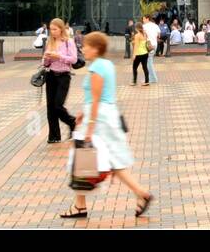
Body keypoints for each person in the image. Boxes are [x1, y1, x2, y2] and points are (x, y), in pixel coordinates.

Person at [60, 32, 154, 221]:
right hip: (106, 116)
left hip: (100, 120)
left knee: (83, 160)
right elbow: (100, 97)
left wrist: (90, 126)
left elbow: (96, 99)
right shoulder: (107, 65)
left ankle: (81, 205)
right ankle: (140, 193)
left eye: (86, 46)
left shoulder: (96, 68)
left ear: (95, 48)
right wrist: (83, 114)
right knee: (109, 162)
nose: (83, 49)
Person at [42, 19, 78, 144]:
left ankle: (72, 122)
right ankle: (54, 136)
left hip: (63, 76)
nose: (52, 32)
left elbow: (73, 59)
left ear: (61, 29)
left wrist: (59, 57)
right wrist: (46, 59)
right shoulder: (50, 42)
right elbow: (45, 63)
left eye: (55, 29)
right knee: (50, 107)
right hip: (51, 75)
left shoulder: (69, 42)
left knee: (58, 105)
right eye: (50, 29)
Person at [141, 15, 160, 83]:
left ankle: (153, 79)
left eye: (143, 19)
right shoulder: (155, 25)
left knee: (149, 62)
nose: (143, 20)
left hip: (148, 45)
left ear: (147, 19)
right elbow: (159, 35)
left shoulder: (144, 26)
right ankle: (150, 78)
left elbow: (144, 36)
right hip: (154, 45)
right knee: (149, 61)